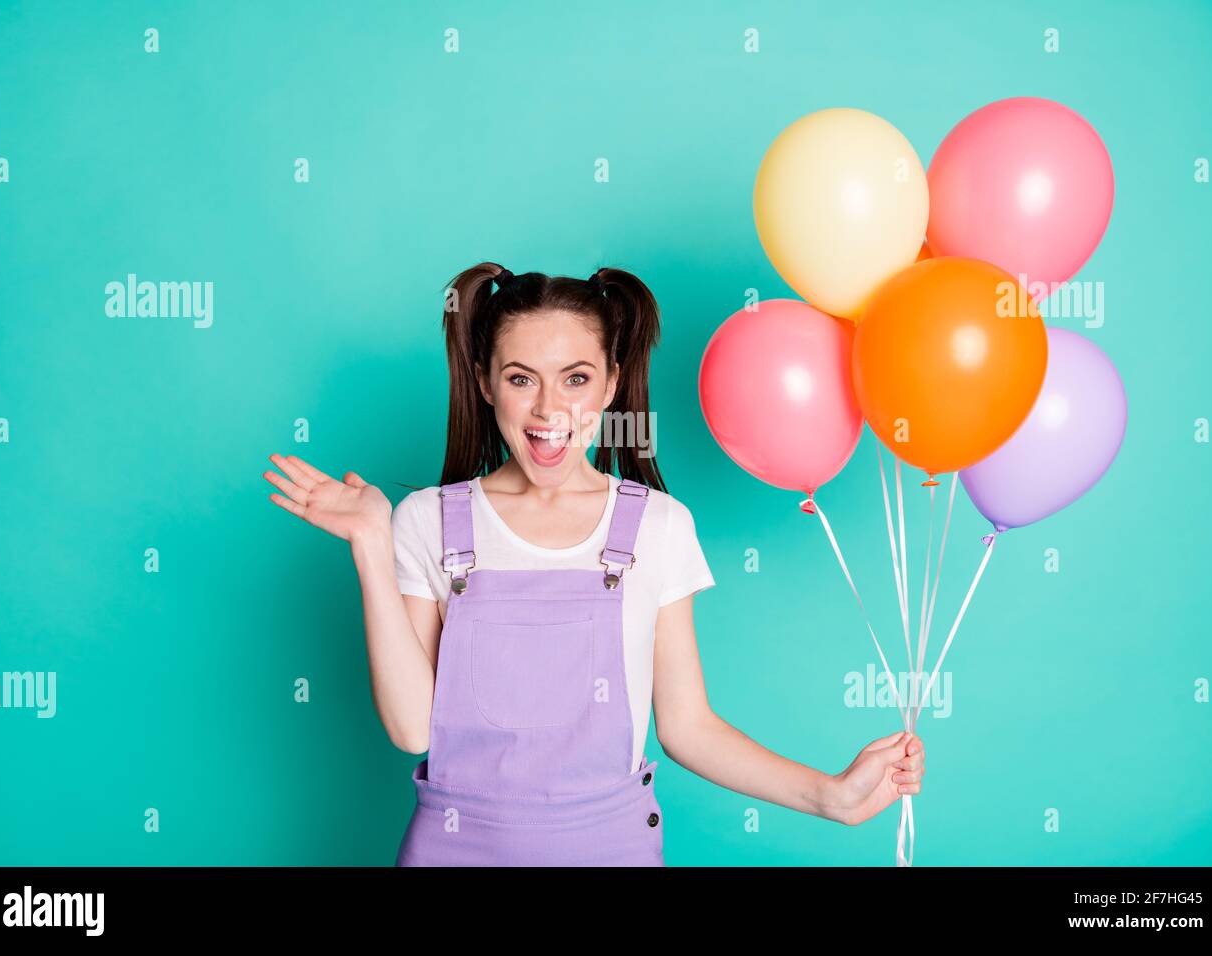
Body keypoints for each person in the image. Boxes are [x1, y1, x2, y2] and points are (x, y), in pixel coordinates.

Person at [264, 262, 925, 866]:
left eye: (575, 379)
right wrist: (371, 546)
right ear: (484, 383)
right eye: (521, 378)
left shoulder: (659, 527)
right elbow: (412, 729)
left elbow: (689, 726)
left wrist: (830, 797)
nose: (549, 410)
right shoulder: (427, 522)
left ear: (610, 383)